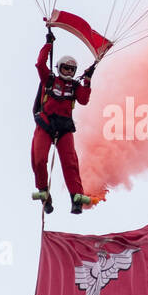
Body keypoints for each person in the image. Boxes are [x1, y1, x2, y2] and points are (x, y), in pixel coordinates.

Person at [32, 27, 97, 214]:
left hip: (64, 128)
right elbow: (39, 64)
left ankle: (76, 197)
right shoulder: (49, 80)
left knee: (70, 162)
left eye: (71, 69)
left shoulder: (75, 87)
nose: (68, 71)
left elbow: (83, 100)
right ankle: (44, 191)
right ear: (59, 68)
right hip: (45, 124)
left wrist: (88, 80)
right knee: (39, 159)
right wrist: (48, 44)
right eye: (65, 68)